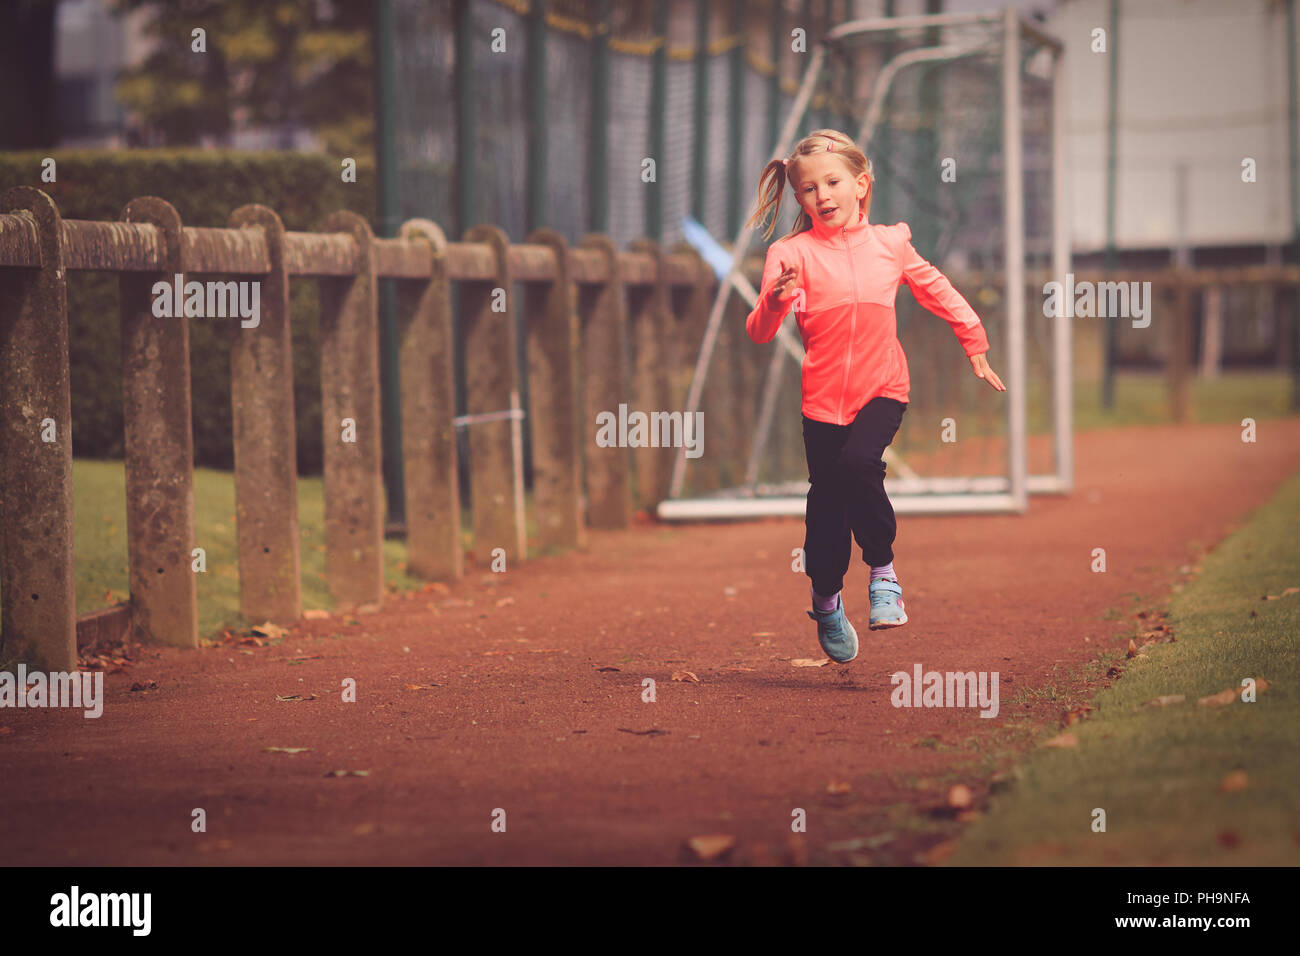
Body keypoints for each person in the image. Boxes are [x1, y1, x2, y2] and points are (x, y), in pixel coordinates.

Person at [743, 129, 1006, 664]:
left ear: (861, 185)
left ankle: (884, 574)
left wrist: (973, 338)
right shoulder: (790, 255)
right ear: (800, 198)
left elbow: (936, 288)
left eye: (834, 182)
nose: (824, 196)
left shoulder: (890, 244)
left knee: (863, 465)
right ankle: (825, 598)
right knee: (826, 506)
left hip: (883, 388)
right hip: (821, 405)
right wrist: (774, 298)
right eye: (810, 189)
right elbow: (760, 330)